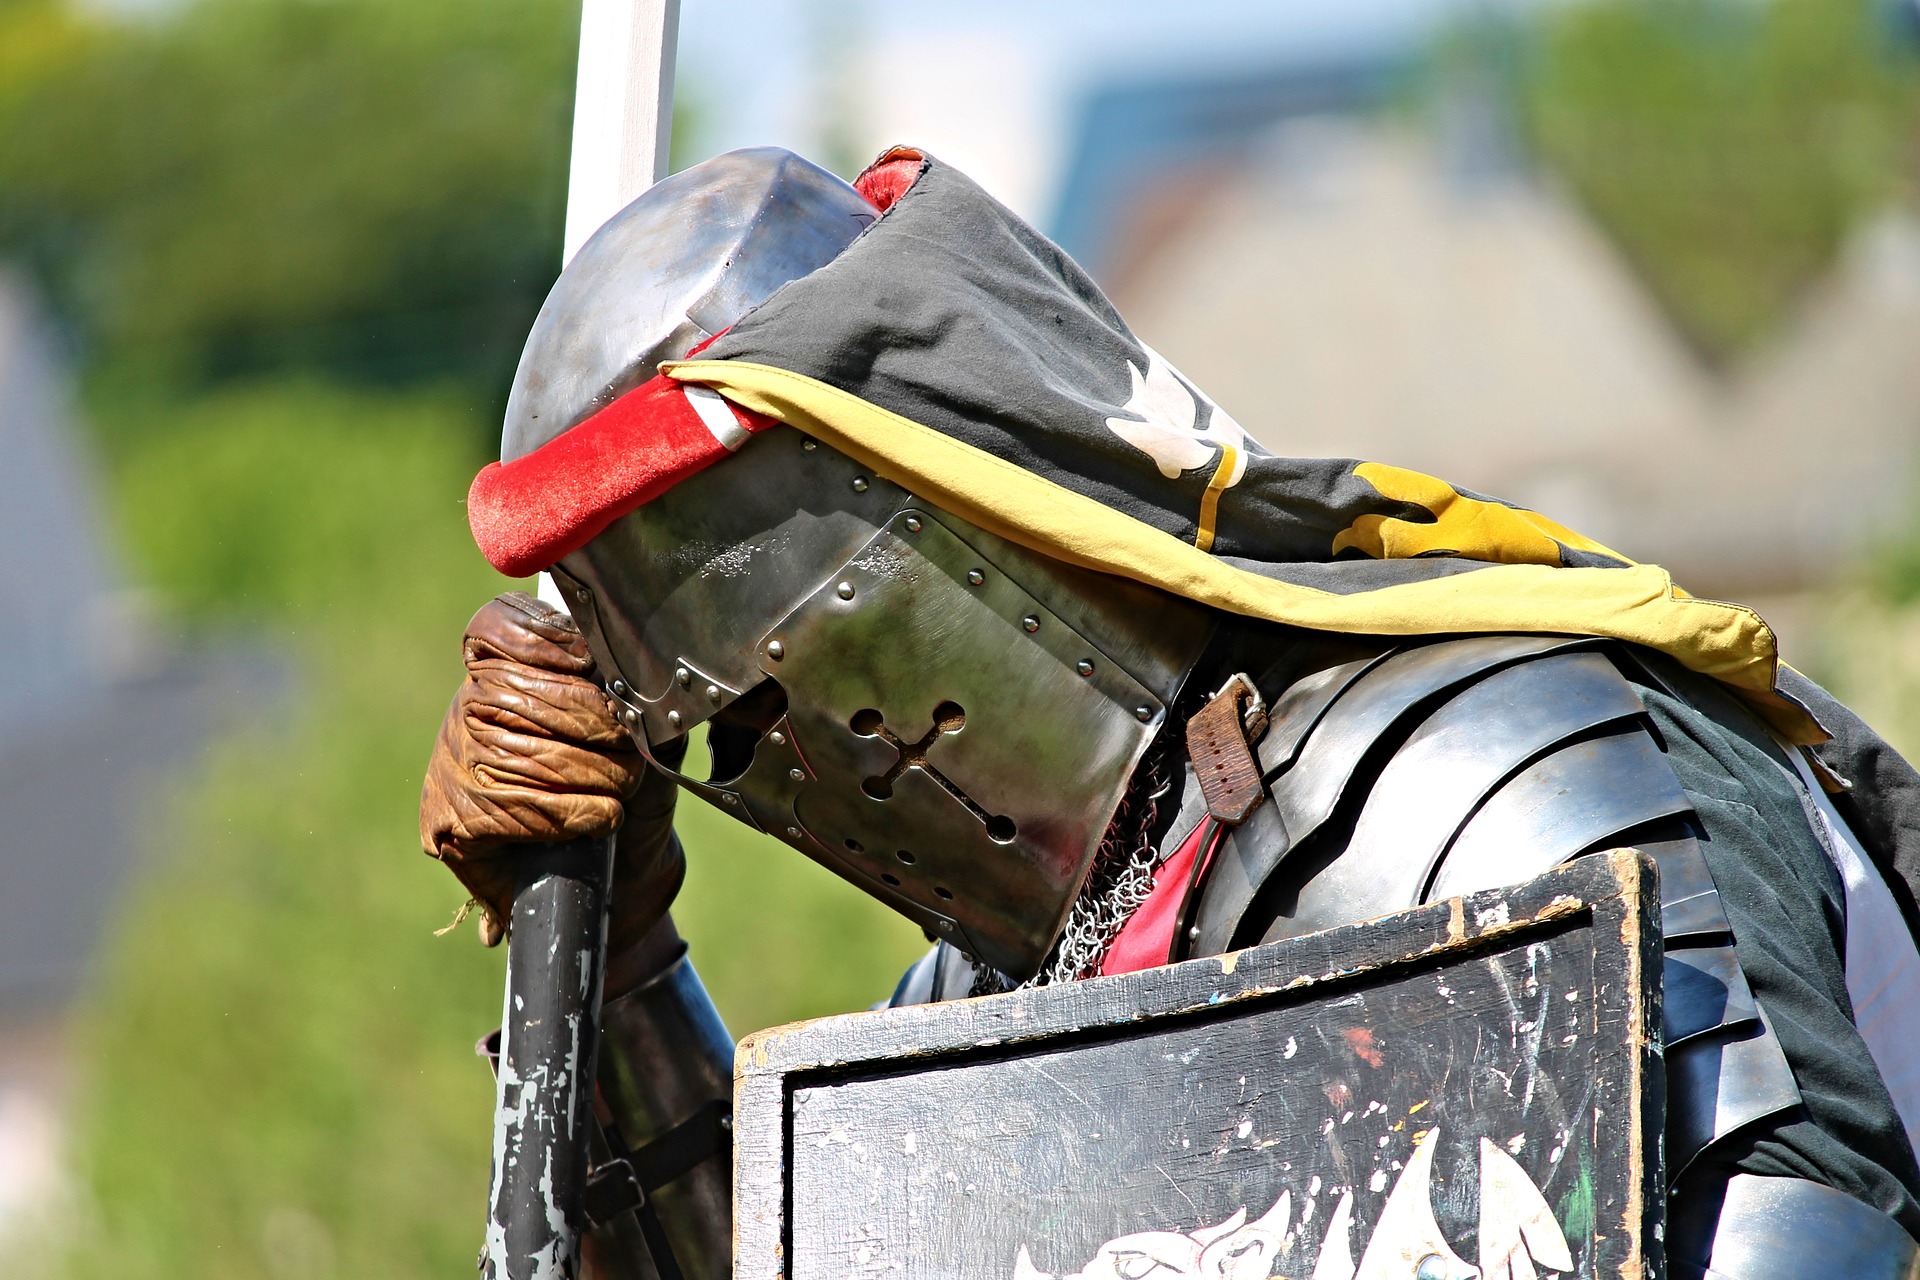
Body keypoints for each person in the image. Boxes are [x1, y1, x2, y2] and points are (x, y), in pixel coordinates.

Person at [422, 146, 1920, 1280]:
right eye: (718, 724)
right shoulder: (981, 1016)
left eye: (775, 665)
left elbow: (1796, 1242)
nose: (785, 747)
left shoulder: (1497, 774)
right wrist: (615, 968)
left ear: (955, 508)